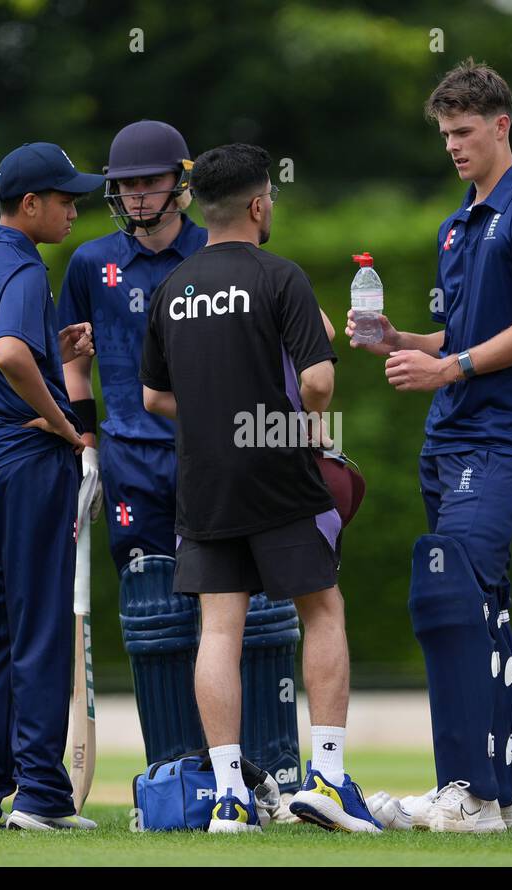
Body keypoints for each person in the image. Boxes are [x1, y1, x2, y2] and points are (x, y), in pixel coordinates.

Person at [349, 59, 512, 833]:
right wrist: (402, 340)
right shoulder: (454, 224)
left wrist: (450, 366)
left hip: (502, 440)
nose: (453, 146)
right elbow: (467, 334)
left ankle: (464, 794)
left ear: (501, 126)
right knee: (486, 610)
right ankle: (508, 792)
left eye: (465, 132)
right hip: (448, 440)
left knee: (443, 589)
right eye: (445, 134)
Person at [58, 121, 305, 809]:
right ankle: (175, 786)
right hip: (135, 462)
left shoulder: (221, 249)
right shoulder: (89, 265)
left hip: (225, 458)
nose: (137, 196)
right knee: (155, 620)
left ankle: (273, 780)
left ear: (183, 184)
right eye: (126, 185)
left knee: (253, 616)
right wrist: (86, 442)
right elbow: (74, 361)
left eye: (149, 182)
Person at [140, 143, 382, 834]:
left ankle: (228, 797)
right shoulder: (282, 277)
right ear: (256, 204)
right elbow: (319, 381)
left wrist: (220, 417)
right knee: (323, 610)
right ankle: (329, 781)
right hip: (279, 473)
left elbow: (155, 398)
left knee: (219, 629)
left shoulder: (172, 288)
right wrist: (294, 427)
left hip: (206, 480)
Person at [0, 142, 99, 832]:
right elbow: (4, 354)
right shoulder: (26, 266)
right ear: (29, 205)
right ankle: (40, 796)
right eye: (65, 199)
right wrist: (64, 422)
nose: (73, 210)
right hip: (26, 460)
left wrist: (44, 354)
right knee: (37, 627)